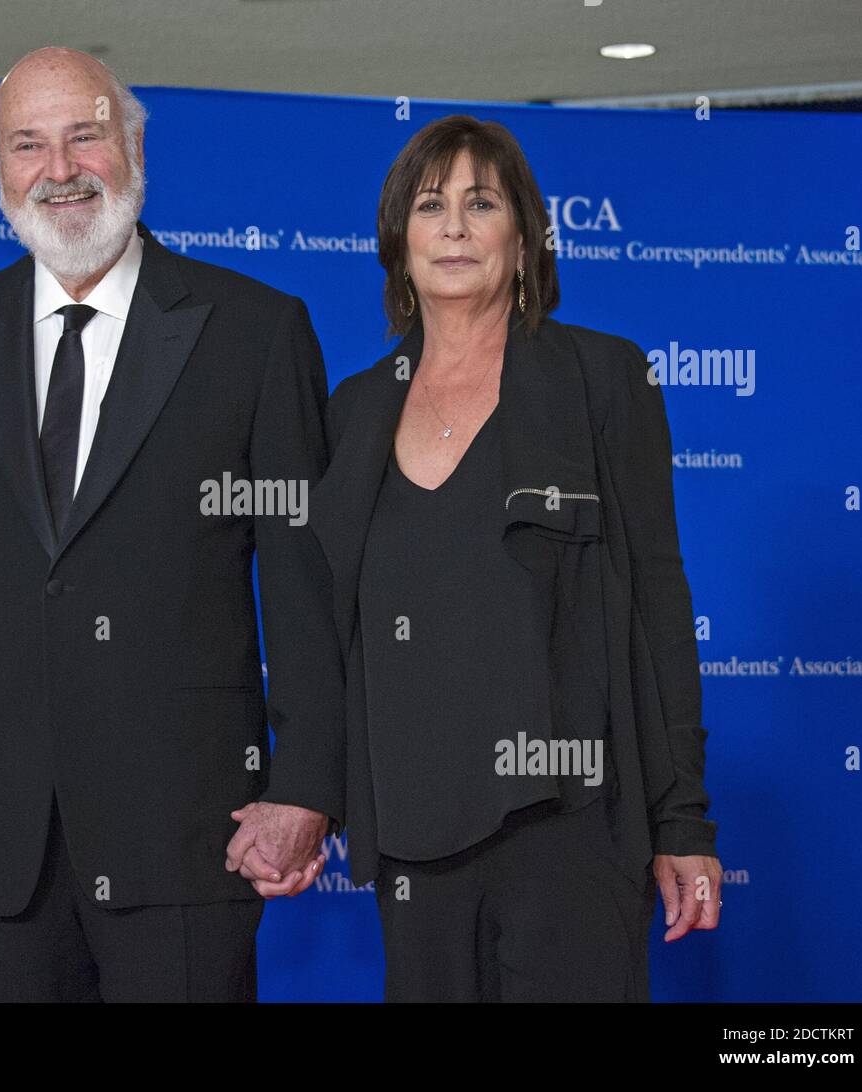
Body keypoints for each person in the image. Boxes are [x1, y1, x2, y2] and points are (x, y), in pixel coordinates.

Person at [0, 46, 342, 1002]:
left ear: (133, 147)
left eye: (84, 136)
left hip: (188, 836)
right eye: (28, 145)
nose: (59, 170)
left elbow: (305, 581)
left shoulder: (256, 332)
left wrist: (305, 784)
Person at [307, 115, 722, 1002]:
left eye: (480, 203)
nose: (453, 227)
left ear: (526, 239)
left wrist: (682, 821)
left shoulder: (602, 380)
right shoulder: (353, 413)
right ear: (400, 243)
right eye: (430, 206)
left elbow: (657, 597)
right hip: (411, 842)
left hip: (570, 827)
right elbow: (328, 632)